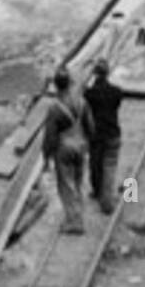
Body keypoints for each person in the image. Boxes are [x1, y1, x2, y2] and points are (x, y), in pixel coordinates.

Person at [42, 66, 95, 234]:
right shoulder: (82, 102)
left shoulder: (54, 108)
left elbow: (50, 136)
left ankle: (74, 222)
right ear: (70, 84)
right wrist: (89, 144)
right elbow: (91, 126)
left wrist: (46, 156)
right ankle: (78, 216)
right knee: (79, 182)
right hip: (81, 146)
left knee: (66, 185)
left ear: (56, 86)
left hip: (63, 148)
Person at [84, 59, 124, 215]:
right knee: (110, 167)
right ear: (108, 73)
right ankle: (111, 200)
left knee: (95, 164)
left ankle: (98, 193)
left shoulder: (89, 94)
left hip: (96, 136)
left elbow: (82, 99)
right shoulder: (117, 92)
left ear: (95, 74)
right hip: (113, 134)